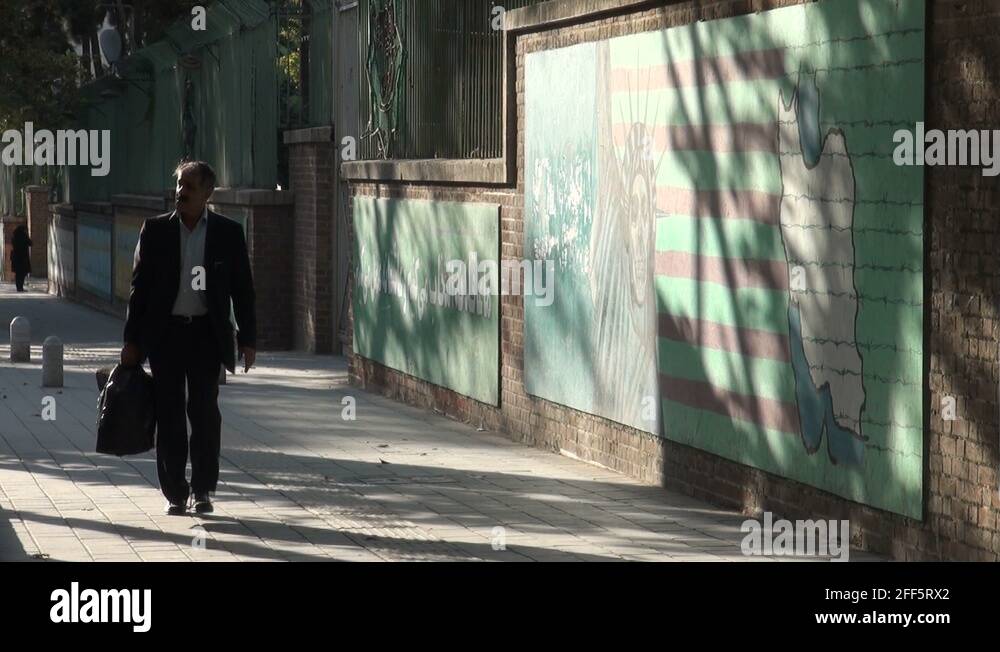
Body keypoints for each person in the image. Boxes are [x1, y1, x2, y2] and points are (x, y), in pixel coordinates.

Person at [121, 161, 257, 515]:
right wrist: (132, 342)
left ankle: (203, 490)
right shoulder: (155, 231)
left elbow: (243, 289)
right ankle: (175, 492)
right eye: (180, 184)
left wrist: (248, 338)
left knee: (205, 413)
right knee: (169, 413)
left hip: (205, 335)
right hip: (165, 335)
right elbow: (139, 290)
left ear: (208, 193)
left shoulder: (227, 233)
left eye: (190, 186)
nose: (182, 192)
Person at [11, 225, 31, 292]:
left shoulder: (14, 236)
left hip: (16, 257)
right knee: (22, 273)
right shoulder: (24, 236)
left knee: (18, 273)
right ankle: (20, 287)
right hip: (23, 257)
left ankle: (18, 287)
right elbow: (30, 243)